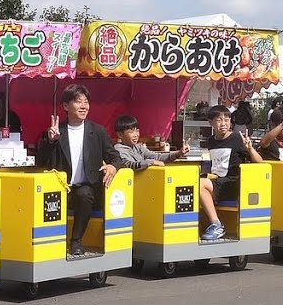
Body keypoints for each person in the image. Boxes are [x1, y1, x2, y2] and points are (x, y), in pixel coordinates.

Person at [37, 84, 122, 257]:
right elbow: (41, 162)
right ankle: (46, 244)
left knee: (84, 195)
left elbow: (115, 157)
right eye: (78, 102)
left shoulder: (97, 131)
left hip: (87, 187)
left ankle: (76, 241)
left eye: (86, 102)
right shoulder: (56, 131)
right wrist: (51, 141)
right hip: (61, 187)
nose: (84, 106)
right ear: (66, 106)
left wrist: (113, 166)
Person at [199, 107, 263, 241]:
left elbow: (260, 162)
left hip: (233, 183)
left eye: (226, 120)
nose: (223, 124)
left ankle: (216, 225)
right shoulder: (211, 141)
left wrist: (250, 148)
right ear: (211, 122)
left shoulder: (238, 138)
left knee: (200, 185)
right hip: (217, 181)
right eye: (219, 120)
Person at [113, 114, 189, 169]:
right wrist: (150, 162)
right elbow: (129, 165)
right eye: (131, 132)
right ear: (120, 134)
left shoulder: (138, 147)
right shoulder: (118, 149)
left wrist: (179, 153)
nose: (136, 135)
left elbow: (157, 157)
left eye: (137, 131)